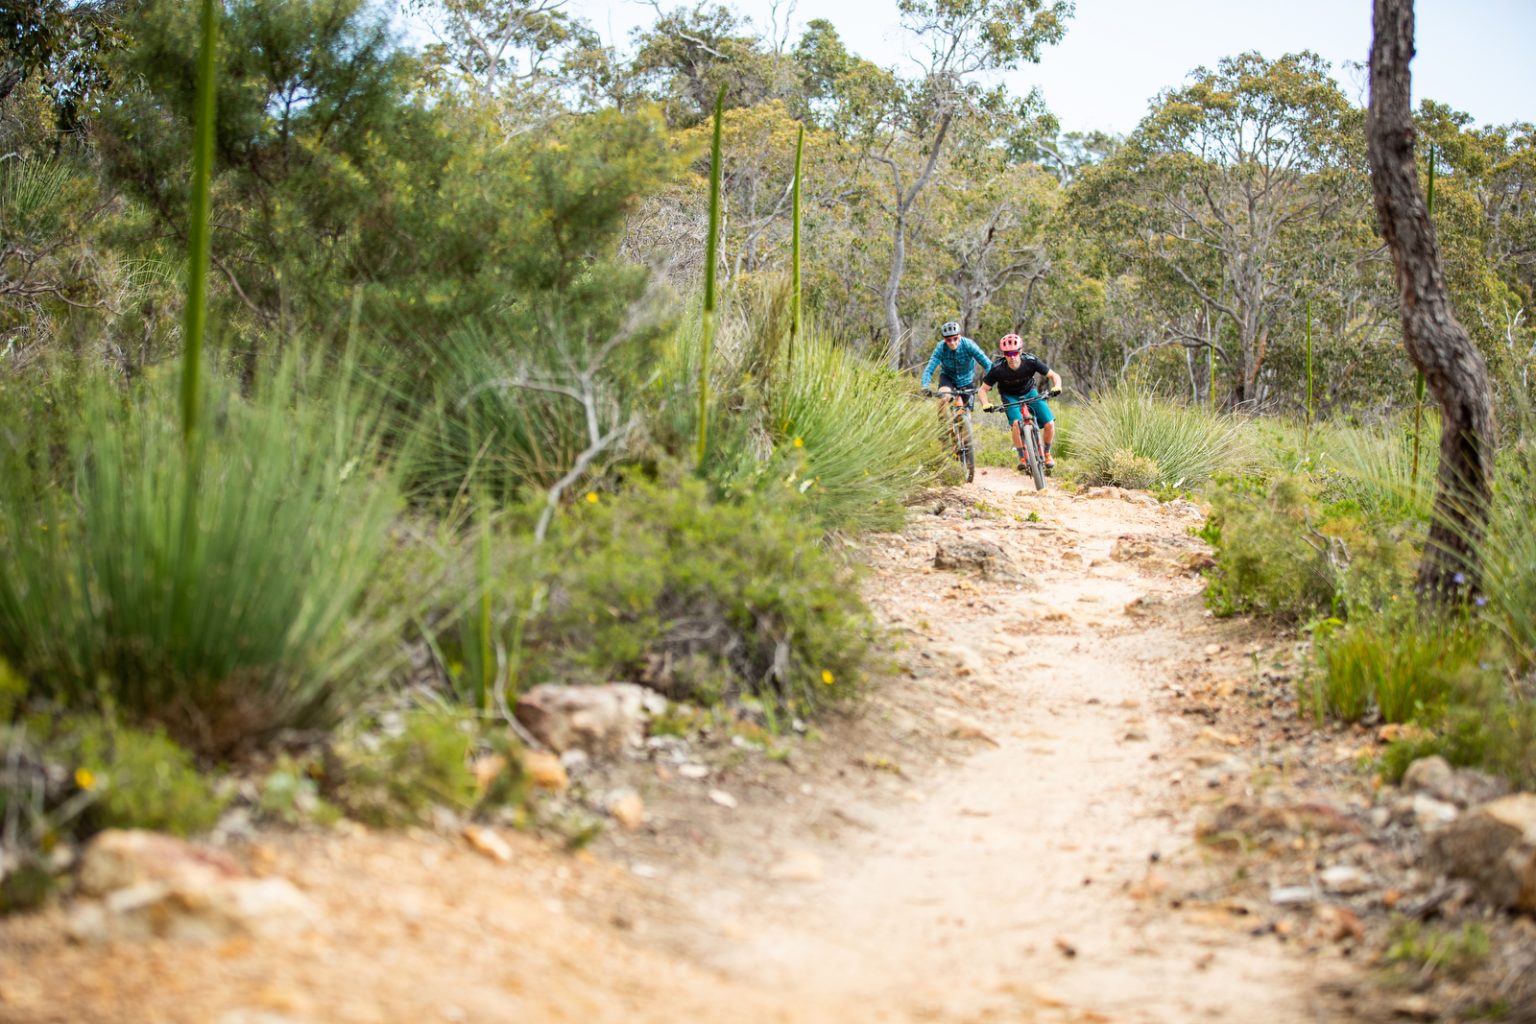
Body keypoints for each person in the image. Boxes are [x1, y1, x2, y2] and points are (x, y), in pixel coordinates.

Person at [978, 333, 1063, 471]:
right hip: (1010, 397)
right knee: (1017, 424)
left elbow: (1054, 375)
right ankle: (1022, 457)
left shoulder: (1031, 361)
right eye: (1007, 353)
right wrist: (985, 404)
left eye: (1014, 352)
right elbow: (982, 390)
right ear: (1003, 354)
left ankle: (1047, 453)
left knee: (1050, 424)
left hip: (1030, 392)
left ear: (1020, 351)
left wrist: (1057, 386)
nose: (1011, 357)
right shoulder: (997, 369)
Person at [920, 321, 992, 414]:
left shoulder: (968, 345)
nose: (952, 342)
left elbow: (987, 363)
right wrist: (925, 386)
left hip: (967, 380)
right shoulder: (940, 348)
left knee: (966, 414)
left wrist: (990, 382)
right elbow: (930, 369)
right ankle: (942, 426)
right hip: (947, 378)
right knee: (944, 398)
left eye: (955, 338)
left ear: (959, 336)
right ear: (944, 340)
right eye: (948, 340)